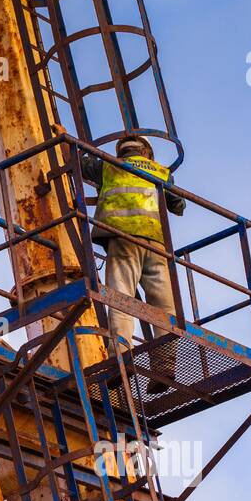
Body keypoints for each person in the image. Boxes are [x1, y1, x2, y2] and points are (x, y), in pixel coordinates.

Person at [80, 135, 184, 392]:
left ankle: (121, 358)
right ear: (147, 152)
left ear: (122, 151)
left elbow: (78, 161)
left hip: (122, 239)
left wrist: (60, 134)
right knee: (164, 306)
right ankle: (165, 366)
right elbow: (178, 205)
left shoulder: (108, 166)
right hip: (155, 244)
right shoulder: (161, 171)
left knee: (121, 298)